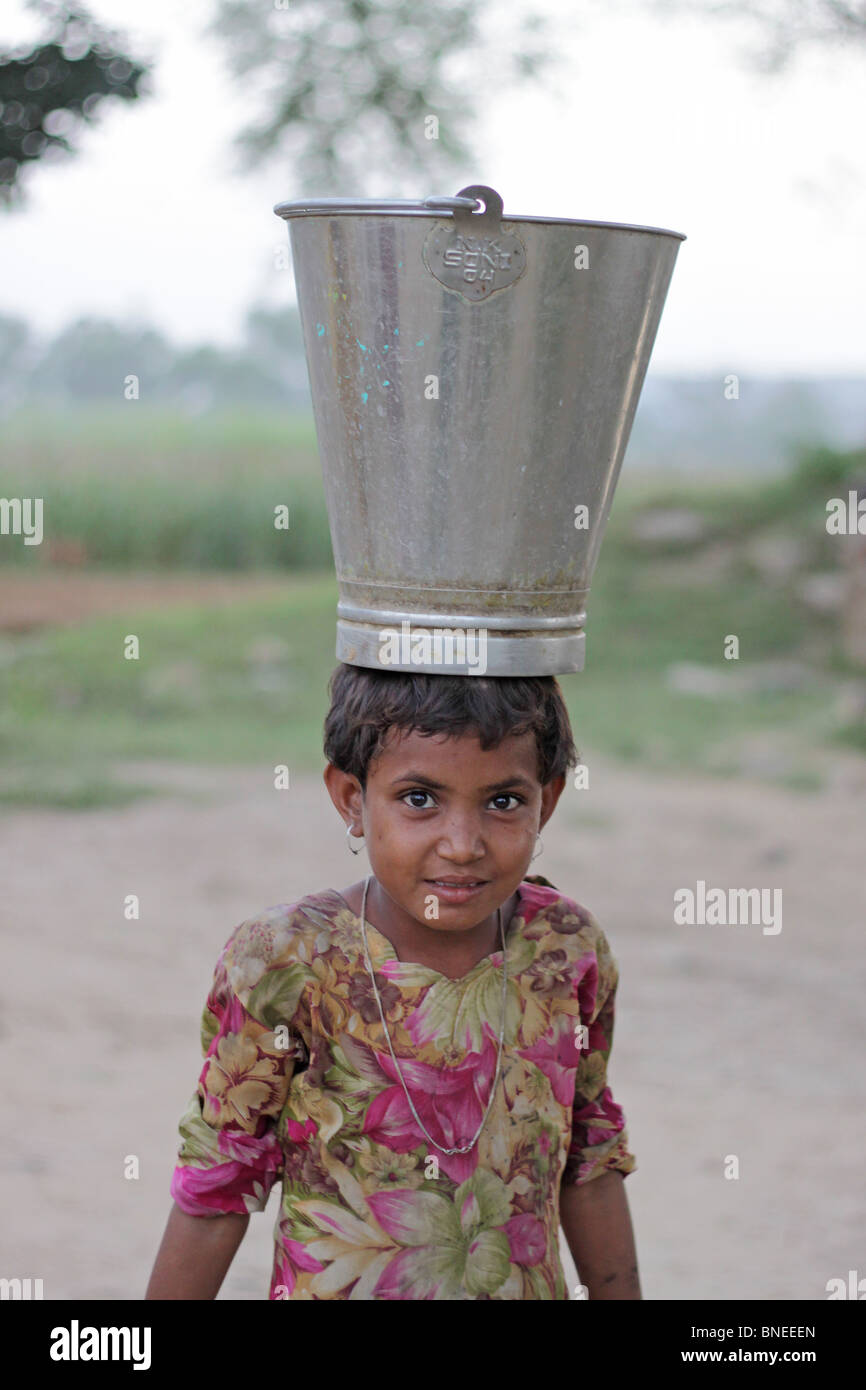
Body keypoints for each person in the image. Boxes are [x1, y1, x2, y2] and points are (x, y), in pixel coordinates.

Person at [146, 664, 640, 1300]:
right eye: (418, 799)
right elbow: (220, 1176)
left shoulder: (565, 946)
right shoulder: (288, 959)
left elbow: (589, 1153)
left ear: (548, 799)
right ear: (352, 798)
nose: (462, 845)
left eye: (503, 802)